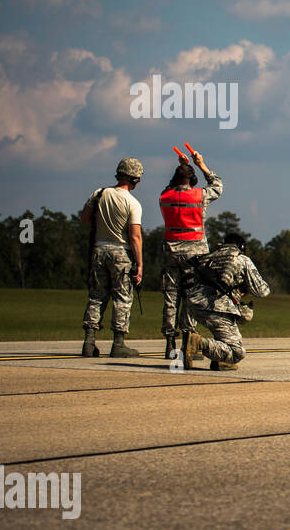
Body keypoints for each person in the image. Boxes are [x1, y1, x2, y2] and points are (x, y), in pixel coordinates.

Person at [159, 149, 223, 359]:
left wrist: (183, 166)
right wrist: (201, 164)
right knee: (191, 296)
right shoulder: (199, 195)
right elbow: (218, 186)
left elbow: (170, 187)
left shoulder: (164, 196)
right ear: (193, 180)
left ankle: (170, 342)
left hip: (170, 252)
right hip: (194, 254)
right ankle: (188, 339)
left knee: (171, 296)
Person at [80, 157, 145, 357]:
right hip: (121, 253)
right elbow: (135, 237)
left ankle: (89, 342)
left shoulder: (99, 194)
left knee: (97, 296)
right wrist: (140, 265)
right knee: (122, 298)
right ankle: (118, 343)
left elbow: (85, 218)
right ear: (134, 179)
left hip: (98, 250)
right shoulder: (133, 203)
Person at [181, 232, 270, 370]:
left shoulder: (210, 257)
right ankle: (198, 343)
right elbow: (262, 291)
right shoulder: (242, 259)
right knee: (237, 353)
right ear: (241, 246)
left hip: (193, 304)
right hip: (217, 307)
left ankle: (219, 360)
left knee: (224, 333)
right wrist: (244, 287)